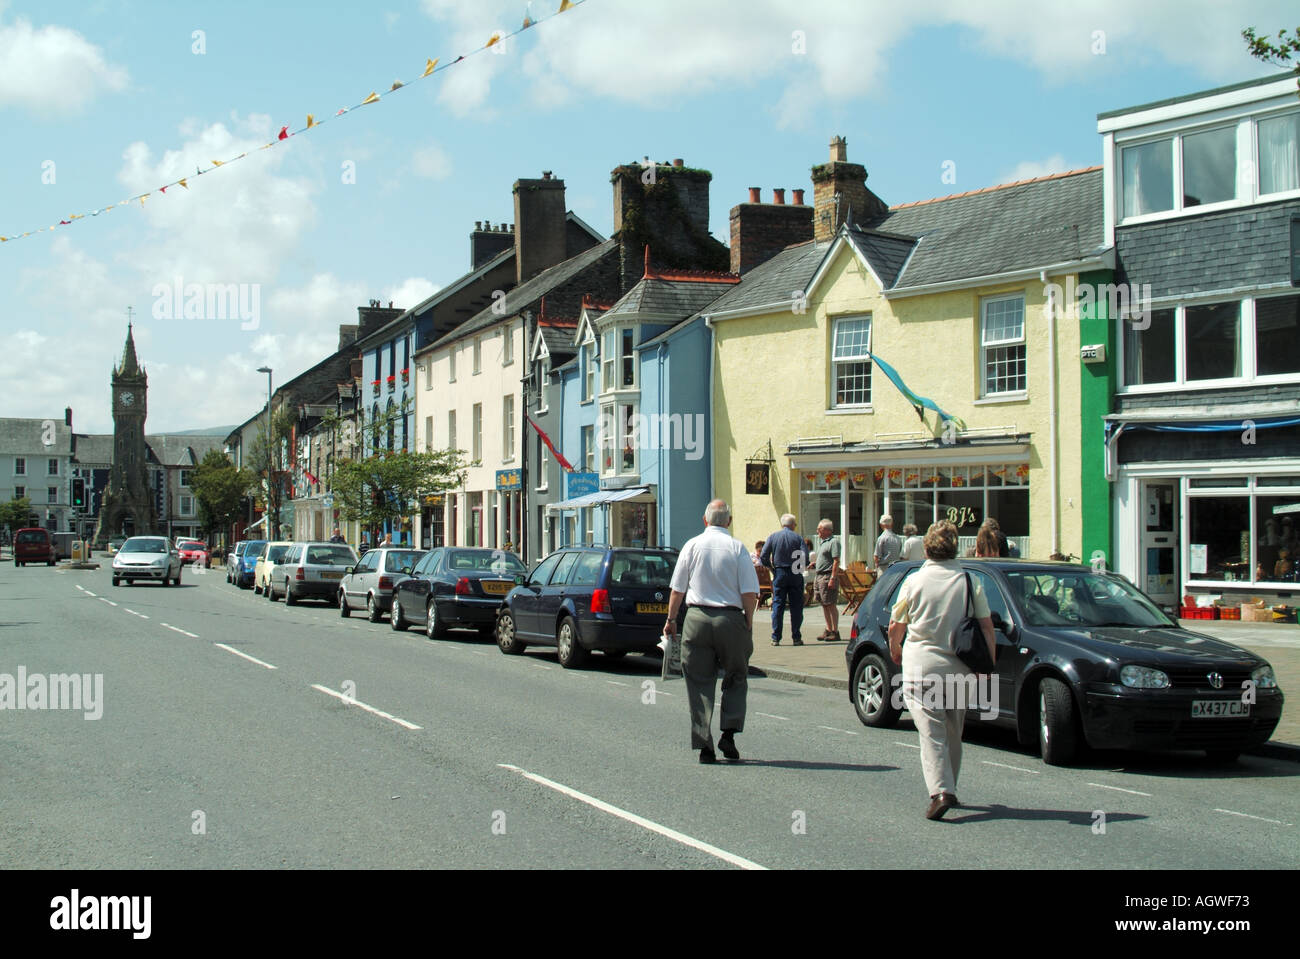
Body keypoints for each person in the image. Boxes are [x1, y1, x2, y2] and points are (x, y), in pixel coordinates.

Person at [887, 520, 996, 820]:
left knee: (931, 732)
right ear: (955, 546)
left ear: (926, 547)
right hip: (960, 667)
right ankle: (951, 786)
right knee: (953, 731)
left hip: (922, 666)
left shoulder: (913, 581)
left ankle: (941, 792)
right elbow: (986, 628)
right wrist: (988, 667)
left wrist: (895, 649)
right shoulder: (970, 581)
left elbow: (897, 625)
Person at [664, 500, 759, 764]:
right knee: (736, 676)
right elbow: (749, 592)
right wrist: (748, 619)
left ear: (704, 520)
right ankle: (728, 733)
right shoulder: (737, 548)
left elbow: (677, 590)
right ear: (728, 521)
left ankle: (705, 745)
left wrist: (671, 619)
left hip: (697, 618)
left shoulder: (692, 545)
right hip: (730, 618)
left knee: (699, 681)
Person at [759, 515, 807, 647]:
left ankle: (776, 637)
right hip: (795, 572)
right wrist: (800, 568)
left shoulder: (773, 537)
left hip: (779, 572)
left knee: (778, 605)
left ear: (782, 524)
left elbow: (763, 556)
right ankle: (796, 637)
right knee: (796, 606)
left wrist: (772, 568)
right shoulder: (798, 538)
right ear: (792, 525)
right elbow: (805, 556)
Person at [812, 519, 844, 642]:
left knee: (830, 604)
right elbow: (825, 559)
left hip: (827, 576)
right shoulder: (823, 543)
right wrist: (815, 564)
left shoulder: (833, 542)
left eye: (819, 529)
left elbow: (836, 560)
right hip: (819, 576)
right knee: (824, 604)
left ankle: (835, 631)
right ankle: (828, 629)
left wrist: (832, 578)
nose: (817, 531)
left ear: (827, 530)